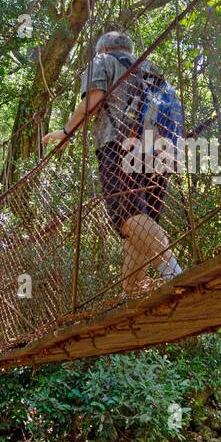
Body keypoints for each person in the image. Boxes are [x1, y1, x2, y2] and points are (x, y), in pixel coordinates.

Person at [43, 29, 183, 299]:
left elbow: (93, 101)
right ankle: (131, 293)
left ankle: (174, 273)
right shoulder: (152, 69)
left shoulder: (102, 61)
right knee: (141, 224)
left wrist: (66, 131)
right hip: (161, 150)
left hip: (120, 145)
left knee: (128, 218)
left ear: (103, 49)